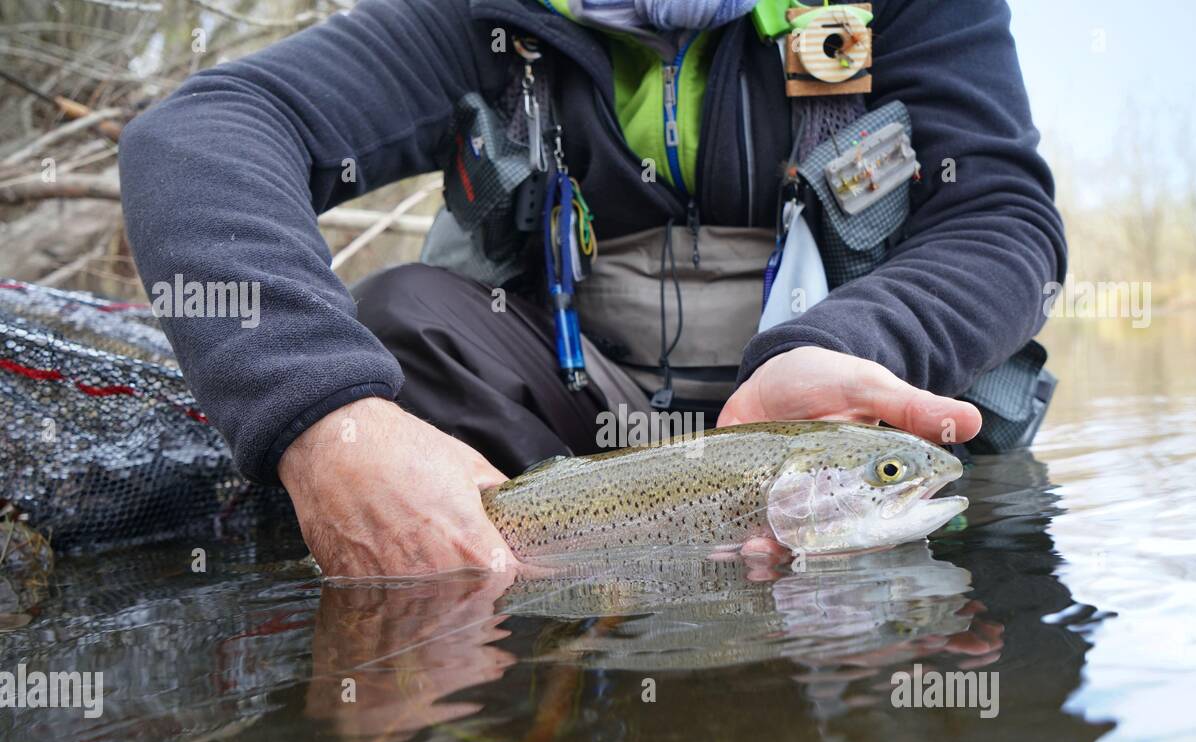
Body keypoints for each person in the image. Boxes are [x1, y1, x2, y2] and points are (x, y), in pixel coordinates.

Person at [118, 0, 1066, 577]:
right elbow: (201, 135)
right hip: (571, 434)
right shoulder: (488, 18)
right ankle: (497, 582)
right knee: (407, 318)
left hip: (835, 419)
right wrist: (319, 418)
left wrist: (854, 346)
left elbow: (1002, 220)